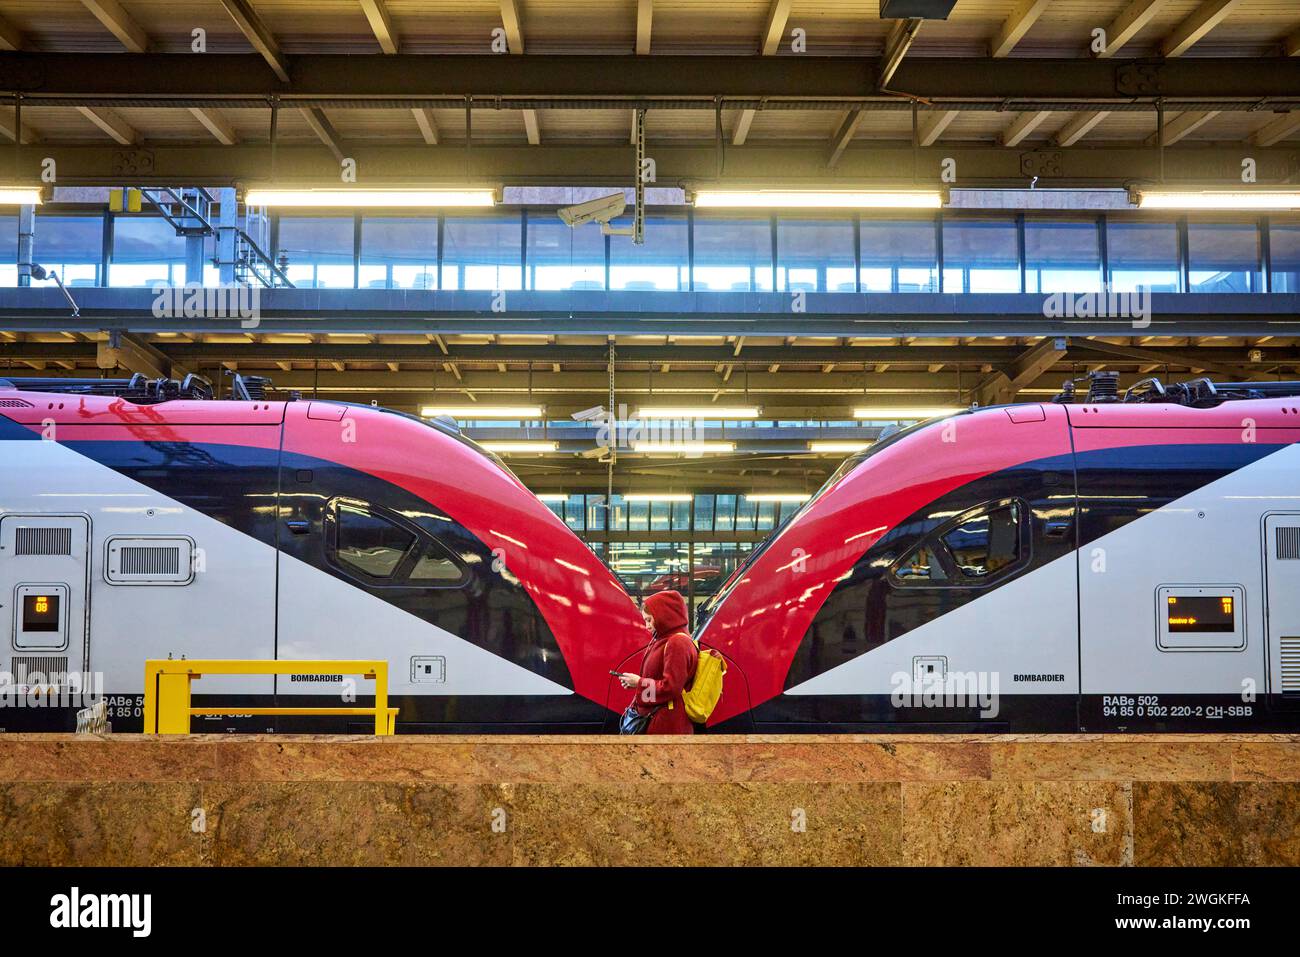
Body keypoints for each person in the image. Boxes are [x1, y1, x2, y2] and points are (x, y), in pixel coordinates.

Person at [617, 589, 698, 735]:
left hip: (666, 726)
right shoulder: (666, 640)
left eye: (649, 620)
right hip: (660, 722)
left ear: (663, 616)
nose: (647, 626)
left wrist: (639, 683)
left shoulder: (677, 643)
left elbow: (671, 688)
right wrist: (636, 685)